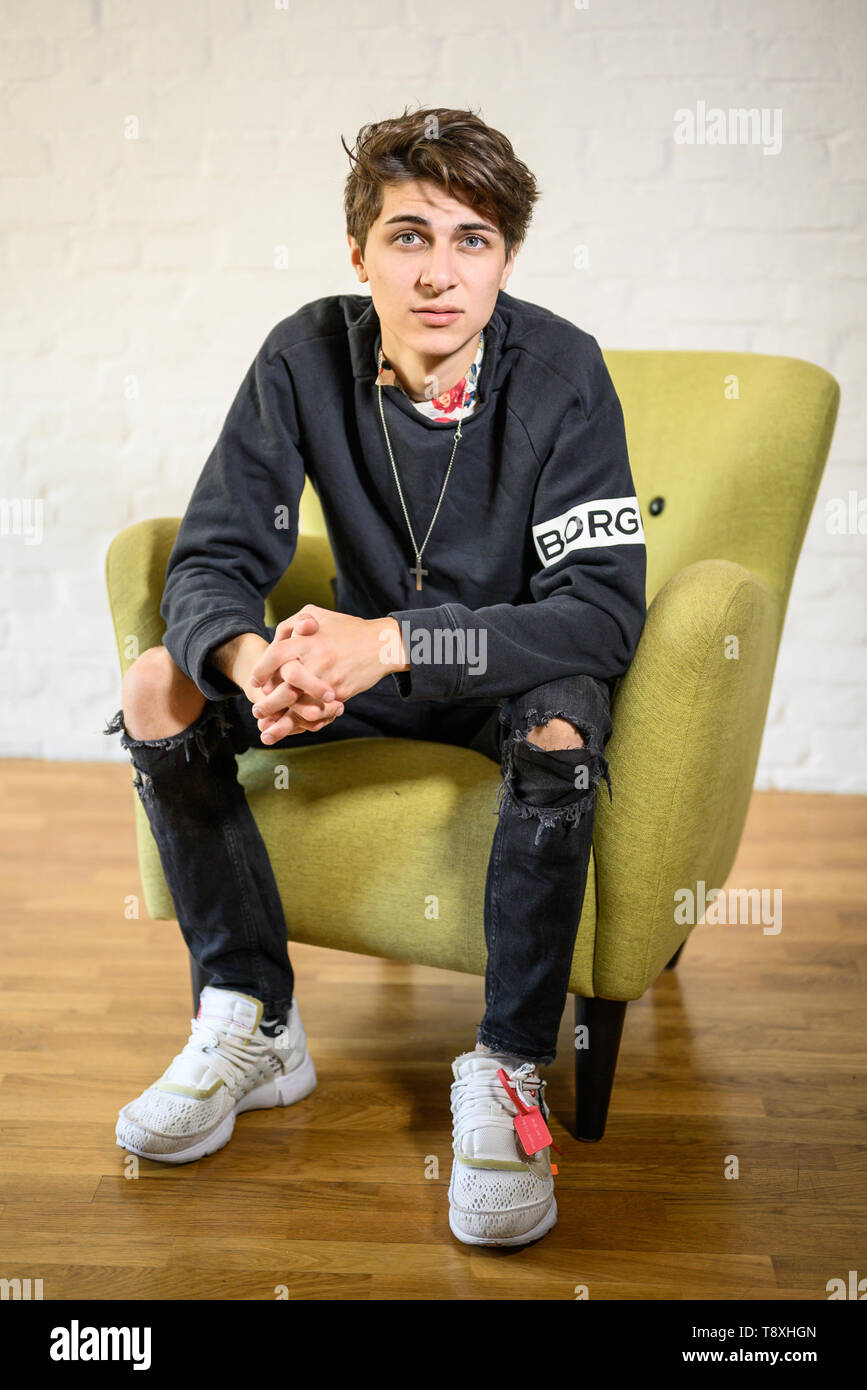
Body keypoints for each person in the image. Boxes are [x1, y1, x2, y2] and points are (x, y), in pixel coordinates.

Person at [104, 104, 647, 1248]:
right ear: (360, 252)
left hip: (507, 679)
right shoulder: (304, 354)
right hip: (362, 674)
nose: (439, 273)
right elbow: (212, 556)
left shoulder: (564, 373)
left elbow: (597, 615)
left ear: (505, 258)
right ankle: (251, 1014)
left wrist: (393, 642)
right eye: (409, 236)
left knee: (562, 725)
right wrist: (255, 663)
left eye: (472, 240)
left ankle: (507, 1068)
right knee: (163, 682)